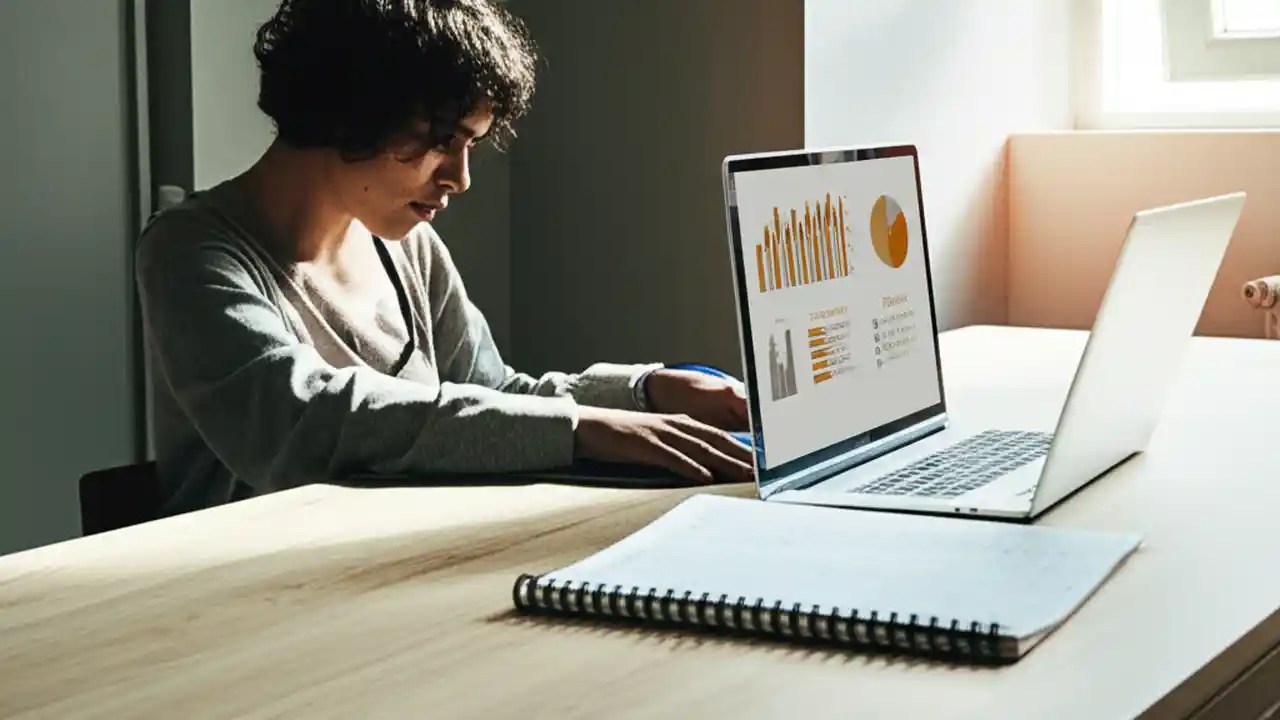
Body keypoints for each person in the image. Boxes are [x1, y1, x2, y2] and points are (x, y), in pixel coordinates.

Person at [136, 0, 753, 515]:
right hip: (243, 598)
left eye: (470, 147)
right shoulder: (192, 250)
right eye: (438, 141)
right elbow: (298, 422)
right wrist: (582, 429)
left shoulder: (408, 245)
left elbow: (494, 394)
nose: (459, 178)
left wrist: (642, 393)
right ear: (349, 107)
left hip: (395, 569)